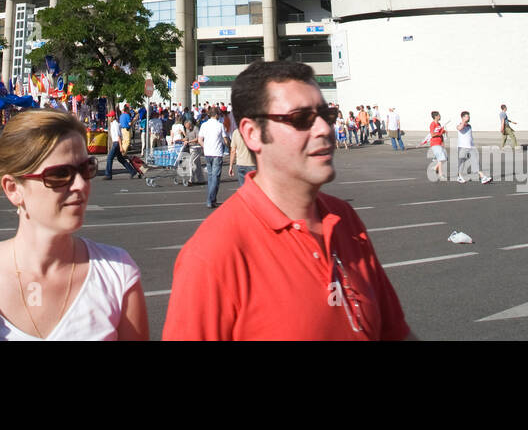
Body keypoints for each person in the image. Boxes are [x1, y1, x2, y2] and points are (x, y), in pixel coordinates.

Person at [162, 61, 413, 341]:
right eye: (300, 119)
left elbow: (395, 332)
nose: (323, 129)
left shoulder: (345, 219)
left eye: (327, 114)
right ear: (252, 133)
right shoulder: (214, 254)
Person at [0, 110, 147, 341]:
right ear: (13, 189)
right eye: (60, 174)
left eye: (86, 169)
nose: (80, 185)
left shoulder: (117, 274)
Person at [199, 107, 226, 208]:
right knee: (215, 177)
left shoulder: (204, 125)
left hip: (208, 153)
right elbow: (225, 138)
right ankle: (210, 199)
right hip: (217, 153)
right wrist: (228, 144)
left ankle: (212, 199)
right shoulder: (220, 125)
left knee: (210, 177)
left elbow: (200, 139)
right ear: (216, 115)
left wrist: (205, 147)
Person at [454, 111, 492, 185]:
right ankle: (460, 176)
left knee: (475, 162)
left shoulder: (469, 126)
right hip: (462, 148)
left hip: (471, 147)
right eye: (467, 116)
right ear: (462, 117)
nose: (469, 118)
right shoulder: (459, 125)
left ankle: (483, 177)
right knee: (462, 163)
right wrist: (463, 122)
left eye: (469, 116)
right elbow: (459, 128)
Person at [103, 113, 139, 180]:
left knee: (109, 158)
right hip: (115, 143)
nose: (108, 118)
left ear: (113, 117)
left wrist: (120, 146)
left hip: (116, 143)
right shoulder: (113, 124)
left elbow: (118, 136)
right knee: (121, 159)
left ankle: (108, 174)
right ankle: (132, 171)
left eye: (109, 116)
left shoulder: (115, 124)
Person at [228, 115, 255, 184]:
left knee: (243, 187)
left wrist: (231, 166)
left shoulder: (236, 132)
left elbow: (233, 151)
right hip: (252, 163)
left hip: (241, 163)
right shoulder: (254, 132)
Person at [427, 111, 447, 180]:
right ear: (435, 116)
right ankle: (441, 175)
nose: (440, 116)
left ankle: (435, 168)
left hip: (439, 143)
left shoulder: (439, 124)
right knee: (441, 159)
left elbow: (440, 134)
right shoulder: (432, 124)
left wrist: (442, 142)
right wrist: (440, 133)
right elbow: (432, 134)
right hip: (434, 143)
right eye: (439, 115)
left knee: (445, 158)